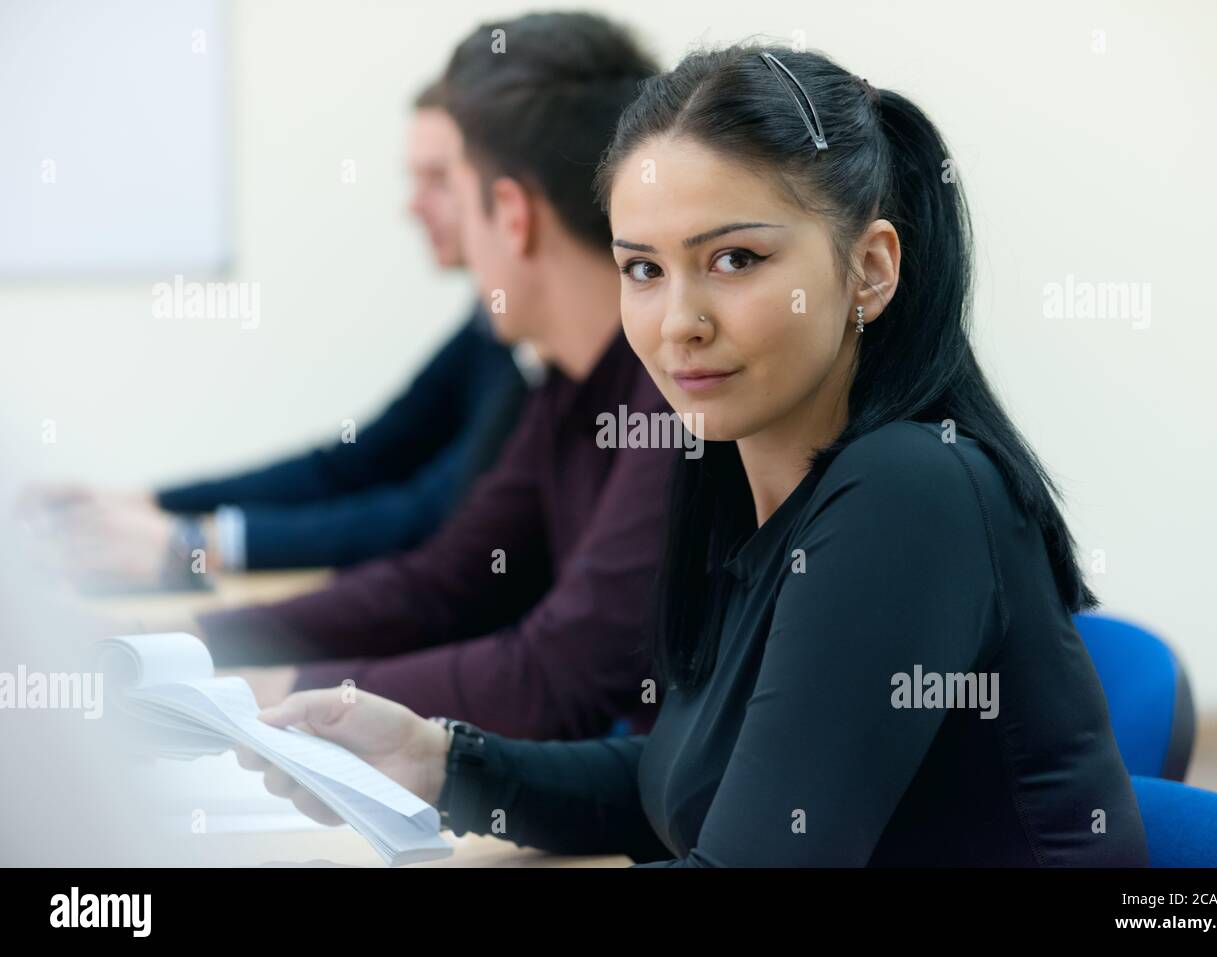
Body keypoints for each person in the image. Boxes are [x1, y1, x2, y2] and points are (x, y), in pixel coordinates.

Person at [239, 42, 1150, 867]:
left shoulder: (909, 491)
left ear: (870, 269)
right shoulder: (731, 480)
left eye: (736, 260)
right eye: (643, 269)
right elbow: (686, 788)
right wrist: (435, 759)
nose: (679, 322)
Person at [185, 12, 674, 741]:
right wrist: (195, 645)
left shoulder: (676, 392)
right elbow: (448, 582)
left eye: (450, 184)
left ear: (509, 212)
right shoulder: (567, 385)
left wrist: (285, 690)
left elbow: (559, 673)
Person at [18, 82, 530, 584]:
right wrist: (146, 505)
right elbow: (351, 465)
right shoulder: (488, 324)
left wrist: (192, 543)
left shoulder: (529, 341)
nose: (412, 206)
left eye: (440, 180)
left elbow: (426, 516)